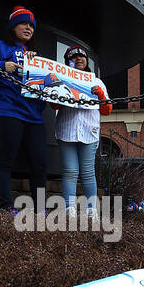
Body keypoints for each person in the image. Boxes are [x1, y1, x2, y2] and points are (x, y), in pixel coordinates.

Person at [0, 6, 53, 212]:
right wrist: (1, 65)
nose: (29, 27)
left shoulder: (36, 54)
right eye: (24, 23)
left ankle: (40, 208)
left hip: (34, 116)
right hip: (6, 111)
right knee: (4, 161)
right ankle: (7, 207)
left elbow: (46, 86)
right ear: (13, 26)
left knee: (40, 163)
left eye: (32, 25)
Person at [53, 45, 111, 211]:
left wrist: (99, 94)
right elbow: (53, 106)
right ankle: (68, 209)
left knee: (87, 173)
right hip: (67, 130)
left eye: (81, 56)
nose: (78, 59)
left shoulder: (96, 82)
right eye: (73, 57)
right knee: (70, 171)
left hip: (89, 131)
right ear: (67, 62)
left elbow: (107, 110)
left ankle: (92, 210)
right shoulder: (62, 79)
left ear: (87, 60)